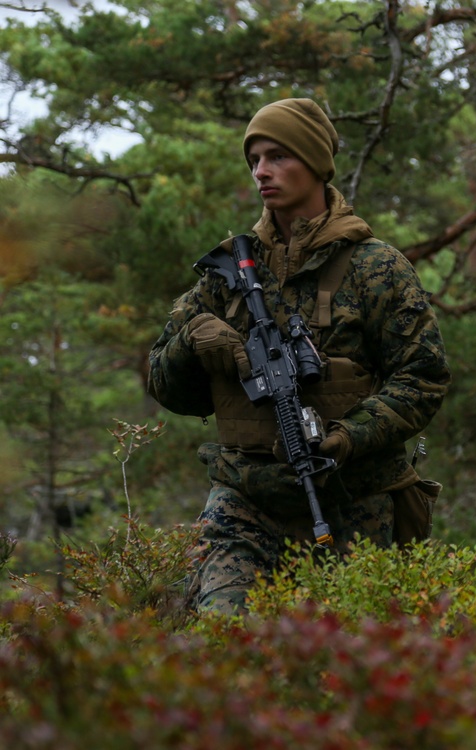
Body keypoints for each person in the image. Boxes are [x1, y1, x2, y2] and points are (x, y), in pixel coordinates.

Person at [148, 98, 451, 615]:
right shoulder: (227, 272)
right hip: (245, 504)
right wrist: (193, 342)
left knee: (352, 667)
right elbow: (164, 384)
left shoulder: (375, 268)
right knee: (225, 648)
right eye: (254, 160)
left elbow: (422, 379)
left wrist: (347, 438)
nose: (262, 172)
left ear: (315, 164)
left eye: (278, 156)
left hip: (352, 501)